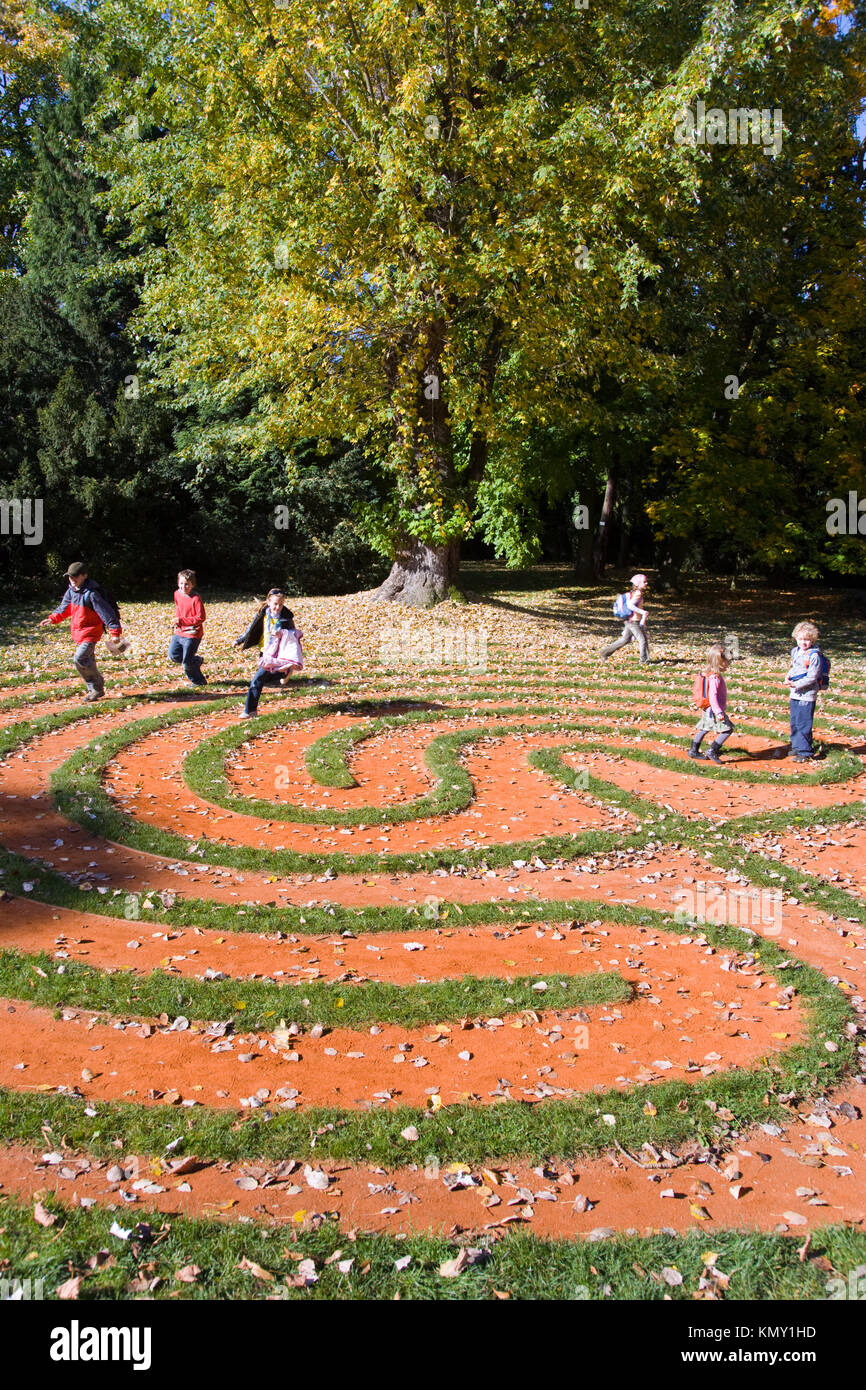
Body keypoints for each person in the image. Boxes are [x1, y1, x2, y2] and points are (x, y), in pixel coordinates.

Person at [38, 561, 123, 702]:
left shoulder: (92, 594)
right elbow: (64, 608)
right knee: (88, 660)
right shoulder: (71, 591)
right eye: (70, 577)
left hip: (90, 633)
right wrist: (52, 619)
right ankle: (97, 687)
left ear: (84, 575)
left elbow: (107, 614)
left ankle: (96, 687)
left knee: (80, 659)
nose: (72, 580)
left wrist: (115, 633)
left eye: (75, 577)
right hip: (78, 632)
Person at [236, 589, 303, 717]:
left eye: (281, 604)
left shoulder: (286, 618)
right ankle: (283, 672)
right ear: (268, 602)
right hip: (264, 651)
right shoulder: (263, 614)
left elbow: (293, 636)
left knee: (257, 680)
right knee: (266, 677)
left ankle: (249, 711)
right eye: (275, 604)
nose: (278, 607)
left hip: (276, 654)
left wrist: (283, 634)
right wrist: (240, 640)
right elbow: (251, 628)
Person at [785, 620, 824, 761]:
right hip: (795, 694)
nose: (803, 642)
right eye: (800, 639)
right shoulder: (796, 652)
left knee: (803, 722)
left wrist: (797, 685)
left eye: (807, 640)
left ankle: (805, 752)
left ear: (813, 640)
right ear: (796, 638)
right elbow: (794, 668)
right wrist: (788, 677)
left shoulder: (814, 656)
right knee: (794, 721)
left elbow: (812, 676)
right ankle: (796, 746)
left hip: (807, 695)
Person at [689, 643, 734, 763]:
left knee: (704, 728)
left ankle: (693, 750)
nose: (728, 664)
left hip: (708, 709)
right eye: (727, 662)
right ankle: (712, 751)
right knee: (728, 729)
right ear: (719, 662)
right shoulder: (715, 677)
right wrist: (719, 712)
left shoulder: (709, 674)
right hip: (714, 710)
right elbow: (713, 697)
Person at [168, 569, 207, 687]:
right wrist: (177, 621)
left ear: (192, 585)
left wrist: (183, 621)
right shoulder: (177, 594)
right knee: (173, 655)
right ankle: (196, 661)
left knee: (186, 663)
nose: (183, 586)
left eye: (186, 584)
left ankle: (199, 681)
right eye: (181, 583)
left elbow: (201, 617)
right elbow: (179, 609)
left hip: (192, 634)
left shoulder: (195, 598)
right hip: (180, 632)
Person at [601, 573, 650, 664]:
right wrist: (643, 612)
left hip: (630, 620)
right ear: (637, 584)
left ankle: (605, 652)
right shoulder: (638, 593)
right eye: (644, 582)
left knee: (625, 640)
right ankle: (644, 661)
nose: (646, 583)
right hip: (633, 621)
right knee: (643, 640)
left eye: (646, 582)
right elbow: (630, 605)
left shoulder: (634, 592)